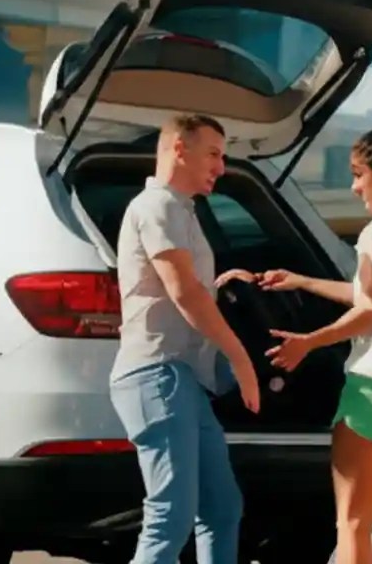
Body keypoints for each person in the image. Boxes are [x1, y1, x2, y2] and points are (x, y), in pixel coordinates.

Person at [236, 126, 372, 564]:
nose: (354, 187)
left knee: (352, 522)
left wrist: (308, 342)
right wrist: (301, 281)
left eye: (358, 174)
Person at [108, 113, 261, 564]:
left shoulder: (179, 209)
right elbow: (182, 290)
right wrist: (241, 358)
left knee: (220, 508)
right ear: (179, 148)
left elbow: (188, 285)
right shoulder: (159, 207)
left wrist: (221, 283)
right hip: (157, 375)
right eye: (213, 153)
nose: (221, 165)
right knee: (170, 516)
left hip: (182, 380)